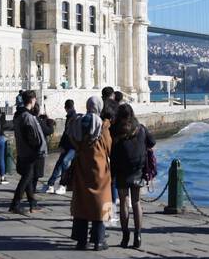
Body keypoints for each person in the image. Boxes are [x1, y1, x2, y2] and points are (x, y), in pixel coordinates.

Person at [69, 97, 114, 250]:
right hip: (99, 169)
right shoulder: (103, 127)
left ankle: (81, 240)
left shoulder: (76, 124)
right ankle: (99, 240)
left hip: (82, 166)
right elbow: (109, 148)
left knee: (81, 202)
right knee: (102, 202)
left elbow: (72, 140)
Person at [109, 103, 155, 249]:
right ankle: (138, 235)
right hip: (138, 170)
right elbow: (152, 142)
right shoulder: (140, 128)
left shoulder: (114, 131)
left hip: (121, 170)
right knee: (136, 202)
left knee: (123, 202)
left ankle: (125, 236)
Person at [8, 90, 47, 215]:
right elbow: (31, 136)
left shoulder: (19, 115)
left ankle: (32, 203)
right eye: (35, 99)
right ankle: (15, 203)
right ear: (32, 100)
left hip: (22, 150)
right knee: (27, 177)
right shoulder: (27, 117)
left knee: (28, 177)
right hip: (29, 152)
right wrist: (37, 148)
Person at [44, 99, 79, 194]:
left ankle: (62, 184)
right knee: (59, 163)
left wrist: (61, 145)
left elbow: (67, 133)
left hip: (72, 146)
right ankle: (51, 184)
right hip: (70, 145)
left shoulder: (72, 117)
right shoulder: (72, 116)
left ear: (65, 108)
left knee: (64, 162)